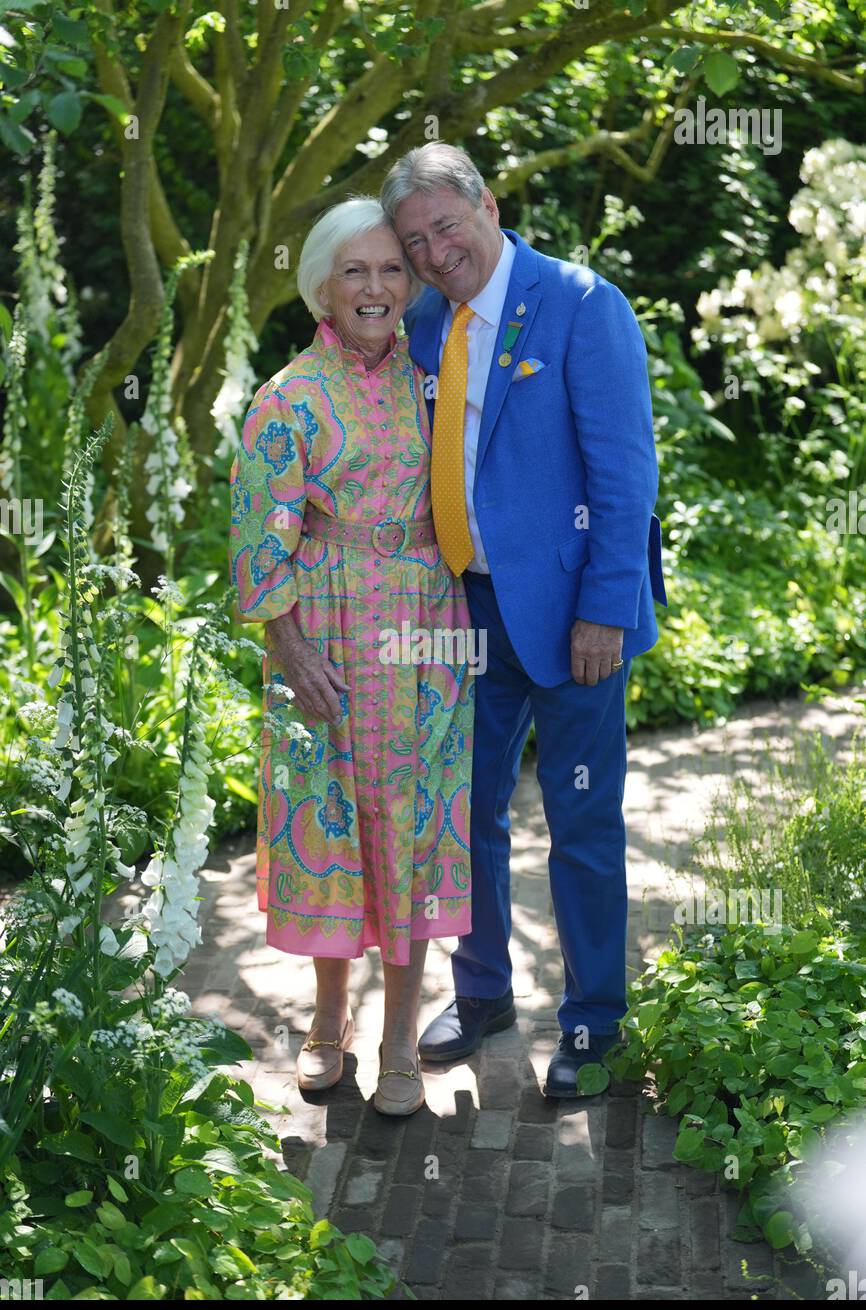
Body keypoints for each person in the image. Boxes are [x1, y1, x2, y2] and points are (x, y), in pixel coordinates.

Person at [380, 144, 667, 1096]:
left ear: (488, 206)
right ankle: (484, 990)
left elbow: (626, 480)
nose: (432, 251)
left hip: (572, 615)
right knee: (466, 814)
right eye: (414, 239)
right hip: (466, 608)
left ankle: (592, 1023)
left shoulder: (584, 305)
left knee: (581, 819)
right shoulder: (427, 325)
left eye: (444, 227)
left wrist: (605, 612)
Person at [228, 197, 474, 1115]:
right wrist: (289, 650)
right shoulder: (286, 398)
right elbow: (259, 541)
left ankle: (401, 1042)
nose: (376, 288)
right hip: (326, 632)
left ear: (412, 286)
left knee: (414, 829)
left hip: (428, 633)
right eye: (356, 273)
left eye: (391, 271)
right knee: (335, 829)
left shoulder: (434, 384)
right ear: (322, 288)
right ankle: (327, 1027)